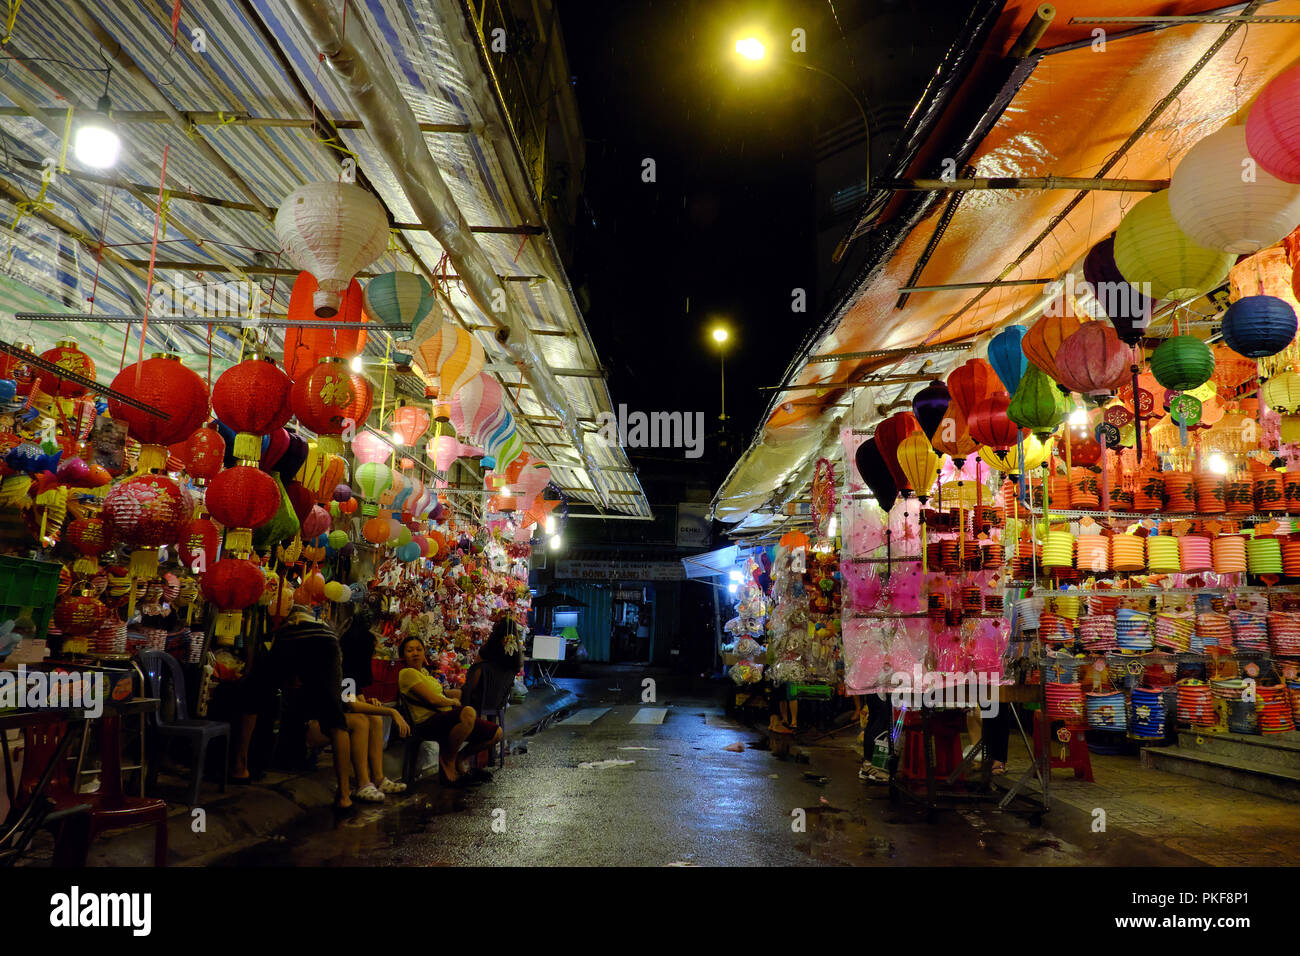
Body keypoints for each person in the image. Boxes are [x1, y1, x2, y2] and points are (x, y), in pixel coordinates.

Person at [233, 605, 357, 812]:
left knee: (252, 696)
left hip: (293, 636)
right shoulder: (325, 626)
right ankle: (344, 795)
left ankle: (240, 768)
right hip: (327, 642)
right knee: (336, 720)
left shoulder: (276, 609)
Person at [397, 635, 501, 786]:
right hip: (427, 722)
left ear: (424, 652)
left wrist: (454, 694)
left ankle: (460, 757)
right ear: (403, 655)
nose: (415, 653)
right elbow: (432, 699)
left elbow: (440, 694)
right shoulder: (407, 674)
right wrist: (451, 701)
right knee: (468, 713)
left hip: (445, 717)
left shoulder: (425, 673)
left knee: (496, 733)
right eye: (410, 650)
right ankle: (448, 759)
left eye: (419, 649)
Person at [308, 696, 410, 802]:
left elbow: (357, 699)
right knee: (360, 722)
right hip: (310, 724)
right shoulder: (343, 679)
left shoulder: (351, 680)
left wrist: (368, 702)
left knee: (375, 718)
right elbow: (353, 705)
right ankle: (363, 783)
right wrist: (392, 711)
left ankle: (378, 779)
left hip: (331, 718)